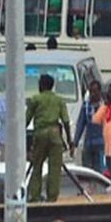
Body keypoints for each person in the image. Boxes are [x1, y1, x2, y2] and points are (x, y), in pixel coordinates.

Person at [26, 74, 71, 202]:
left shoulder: (35, 99)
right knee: (55, 168)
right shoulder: (59, 100)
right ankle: (52, 197)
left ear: (42, 85)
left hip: (40, 134)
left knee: (37, 166)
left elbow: (26, 120)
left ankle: (35, 196)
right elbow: (66, 121)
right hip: (55, 135)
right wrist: (69, 140)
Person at [73, 80, 106, 173]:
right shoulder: (86, 105)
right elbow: (80, 124)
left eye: (95, 91)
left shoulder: (105, 106)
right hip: (88, 143)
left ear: (100, 92)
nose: (93, 94)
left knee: (100, 170)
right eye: (91, 91)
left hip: (101, 144)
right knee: (87, 171)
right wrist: (75, 142)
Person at [92, 83, 111, 176]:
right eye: (110, 93)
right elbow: (95, 119)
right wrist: (105, 105)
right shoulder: (106, 107)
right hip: (109, 147)